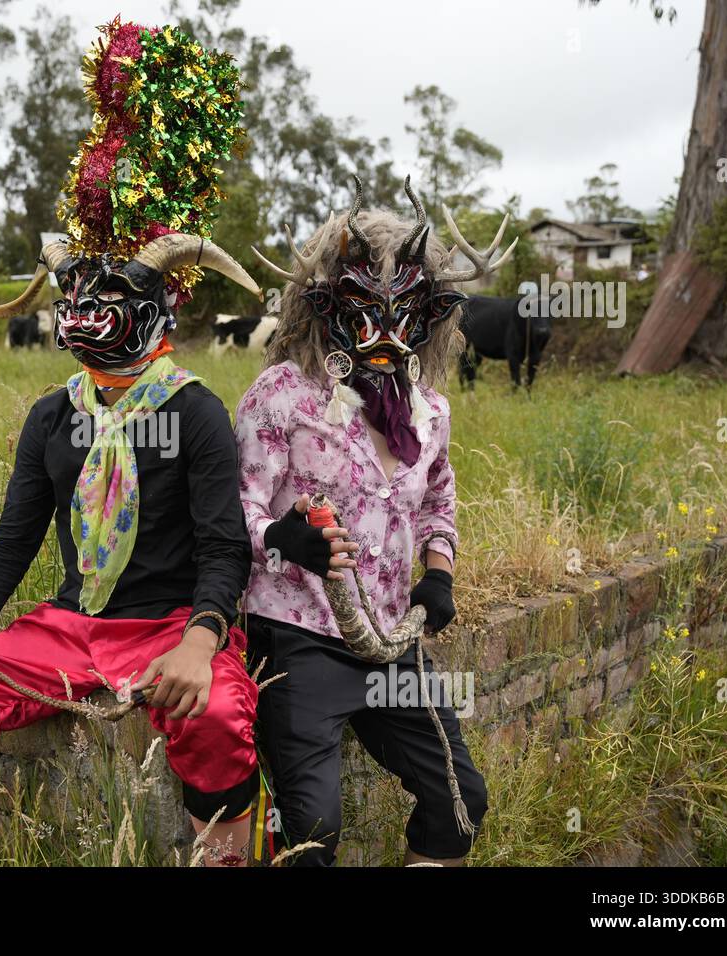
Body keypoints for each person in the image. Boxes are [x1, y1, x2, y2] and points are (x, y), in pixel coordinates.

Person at [0, 18, 264, 866]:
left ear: (160, 311)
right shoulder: (51, 415)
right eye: (76, 297)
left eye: (113, 296)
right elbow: (12, 542)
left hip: (170, 623)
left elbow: (223, 543)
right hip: (71, 629)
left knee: (214, 715)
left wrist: (203, 641)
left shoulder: (197, 410)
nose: (88, 313)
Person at [235, 177, 503, 866]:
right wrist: (277, 538)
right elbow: (235, 506)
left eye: (404, 306)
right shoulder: (282, 395)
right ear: (326, 302)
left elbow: (440, 500)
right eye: (364, 303)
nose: (384, 323)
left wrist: (437, 576)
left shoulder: (429, 410)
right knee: (313, 832)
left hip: (391, 644)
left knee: (460, 804)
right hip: (297, 640)